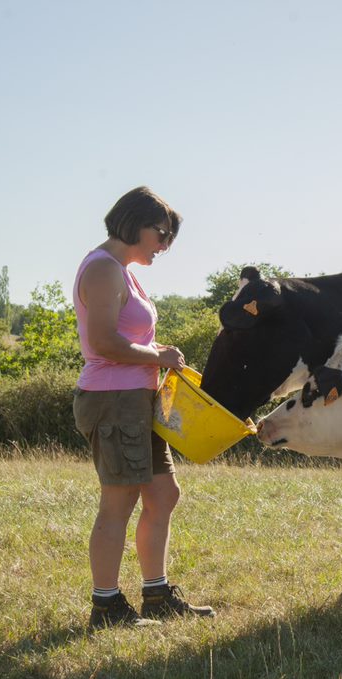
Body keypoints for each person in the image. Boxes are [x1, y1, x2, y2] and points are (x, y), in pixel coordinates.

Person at [72, 186, 214, 628]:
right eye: (163, 234)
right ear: (136, 223)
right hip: (112, 399)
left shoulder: (125, 271)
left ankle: (156, 595)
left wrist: (156, 349)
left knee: (163, 494)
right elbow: (102, 342)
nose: (166, 245)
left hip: (137, 399)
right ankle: (107, 606)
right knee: (118, 502)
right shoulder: (102, 269)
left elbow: (125, 336)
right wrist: (157, 357)